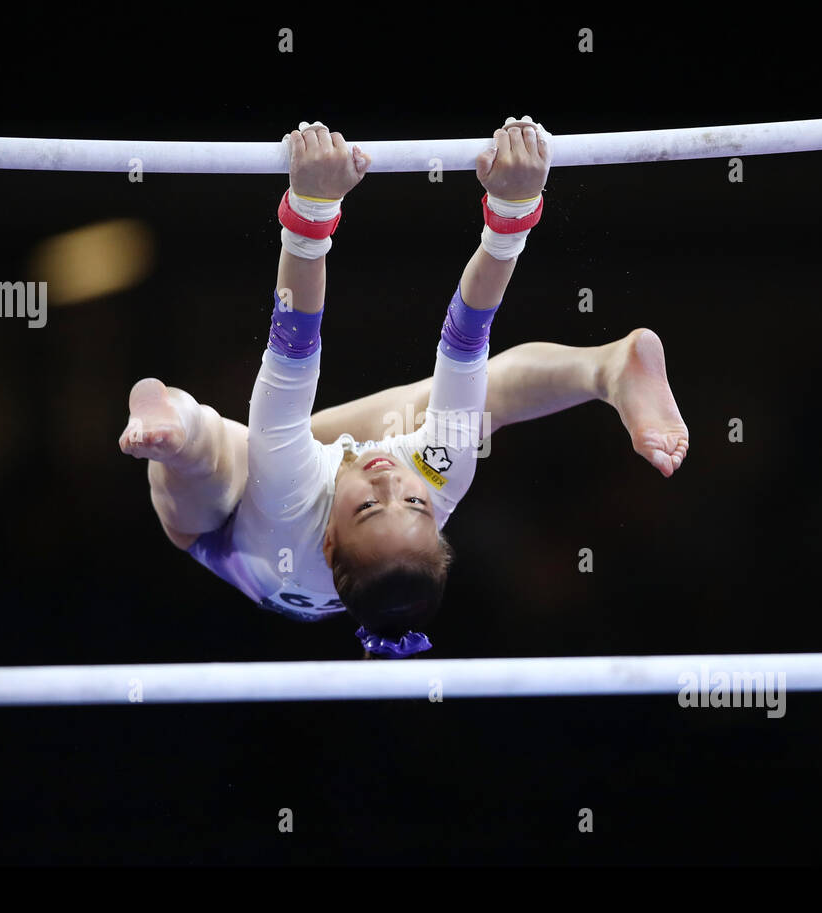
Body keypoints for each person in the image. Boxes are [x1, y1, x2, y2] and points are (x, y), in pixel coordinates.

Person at [119, 117, 688, 658]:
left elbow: (293, 345)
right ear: (437, 517)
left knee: (211, 459)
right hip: (324, 488)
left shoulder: (289, 501)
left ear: (330, 543)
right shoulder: (439, 475)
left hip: (232, 538)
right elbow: (466, 341)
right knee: (477, 400)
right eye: (414, 503)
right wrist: (511, 212)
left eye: (371, 508)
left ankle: (174, 420)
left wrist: (312, 207)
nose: (389, 480)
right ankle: (608, 369)